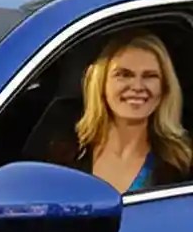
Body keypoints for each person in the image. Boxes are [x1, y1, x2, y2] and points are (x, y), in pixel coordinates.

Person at [42, 30, 192, 192]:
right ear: (102, 83)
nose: (137, 86)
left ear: (165, 87)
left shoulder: (182, 164)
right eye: (124, 74)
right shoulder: (64, 152)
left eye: (150, 76)